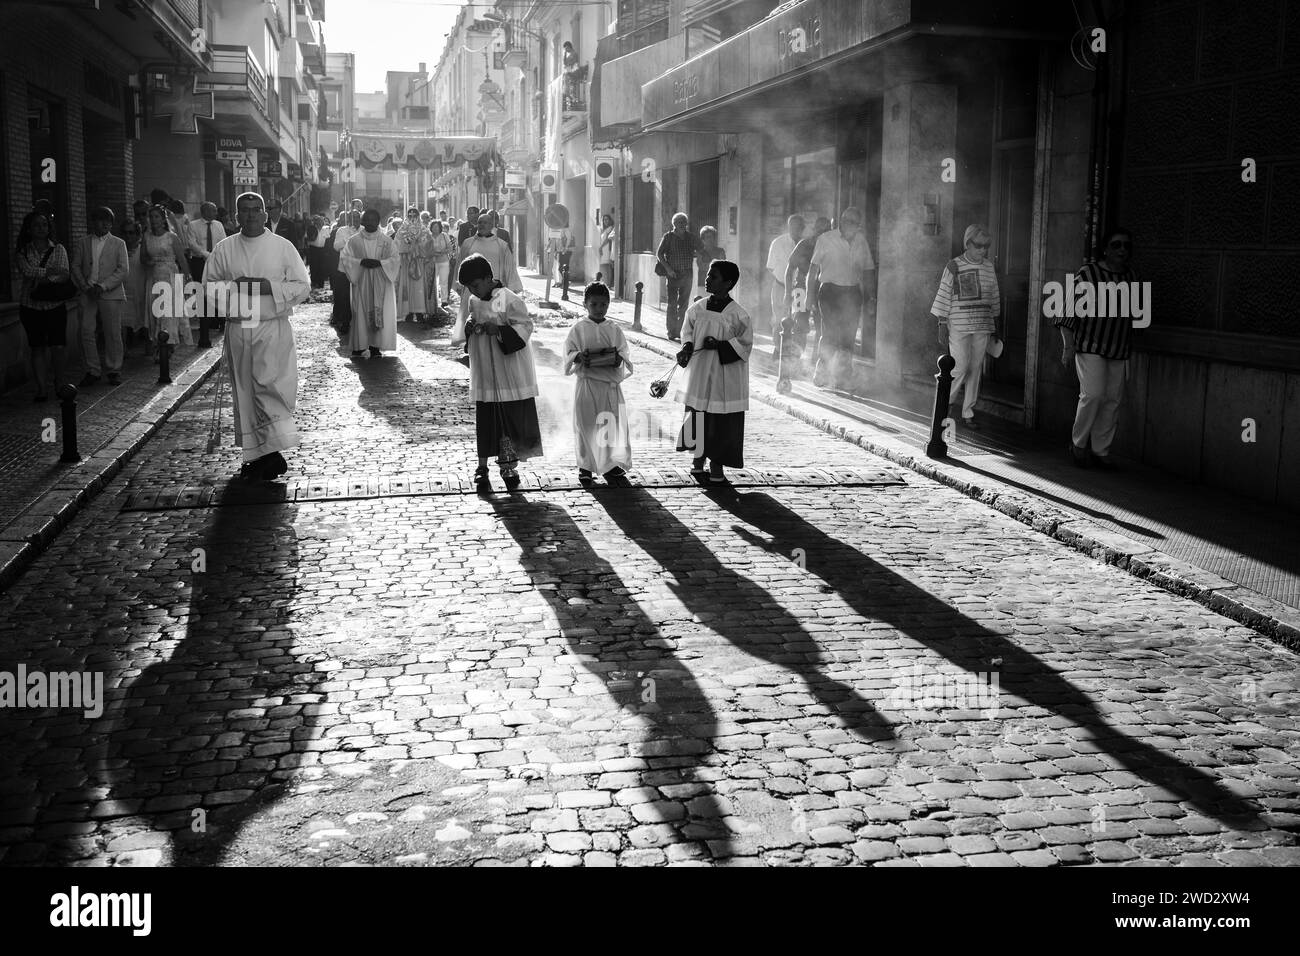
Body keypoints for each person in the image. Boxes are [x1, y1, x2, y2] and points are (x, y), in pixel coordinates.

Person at [202, 191, 311, 482]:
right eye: (244, 210)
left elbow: (302, 285)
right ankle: (259, 455)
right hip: (239, 327)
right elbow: (210, 285)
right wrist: (236, 290)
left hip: (271, 326)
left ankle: (271, 452)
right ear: (237, 216)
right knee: (246, 392)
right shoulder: (224, 248)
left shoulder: (282, 246)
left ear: (265, 214)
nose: (250, 215)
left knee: (268, 385)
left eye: (255, 209)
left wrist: (267, 287)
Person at [454, 254, 542, 492]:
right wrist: (470, 327)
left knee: (507, 418)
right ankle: (482, 466)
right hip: (484, 370)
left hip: (507, 370)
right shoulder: (474, 299)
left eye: (476, 284)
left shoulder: (508, 299)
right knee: (486, 418)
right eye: (470, 287)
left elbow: (524, 326)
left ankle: (508, 466)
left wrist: (500, 330)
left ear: (488, 278)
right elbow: (473, 317)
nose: (473, 290)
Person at [1056, 226, 1138, 470]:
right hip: (1090, 345)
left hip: (1119, 348)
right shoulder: (1088, 273)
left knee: (1112, 400)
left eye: (1126, 245)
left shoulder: (1130, 276)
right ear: (1105, 249)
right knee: (1092, 395)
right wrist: (1067, 347)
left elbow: (1135, 313)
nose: (1122, 249)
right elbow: (1068, 311)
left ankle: (1101, 451)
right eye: (1116, 244)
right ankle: (1078, 444)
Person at [674, 259, 751, 485]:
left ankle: (717, 465)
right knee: (698, 414)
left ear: (728, 283)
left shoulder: (739, 315)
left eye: (713, 276)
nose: (707, 279)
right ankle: (698, 461)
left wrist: (719, 345)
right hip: (700, 373)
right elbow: (686, 330)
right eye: (708, 274)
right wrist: (687, 346)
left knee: (720, 420)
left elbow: (745, 345)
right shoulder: (697, 308)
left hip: (723, 376)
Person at [931, 223, 1001, 430]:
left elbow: (994, 294)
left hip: (982, 323)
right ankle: (946, 405)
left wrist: (995, 321)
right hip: (959, 324)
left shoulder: (989, 266)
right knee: (959, 367)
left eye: (986, 245)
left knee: (975, 369)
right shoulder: (954, 265)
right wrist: (942, 322)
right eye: (979, 245)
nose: (983, 250)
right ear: (967, 243)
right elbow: (944, 292)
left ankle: (968, 412)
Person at [565, 281, 633, 486]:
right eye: (594, 304)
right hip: (586, 384)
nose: (599, 309)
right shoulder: (578, 328)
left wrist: (617, 358)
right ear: (585, 304)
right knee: (586, 425)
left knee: (609, 426)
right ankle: (585, 467)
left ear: (608, 305)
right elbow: (569, 352)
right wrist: (579, 357)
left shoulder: (614, 329)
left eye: (603, 304)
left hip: (609, 386)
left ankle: (610, 466)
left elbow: (623, 352)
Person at [806, 206, 874, 391]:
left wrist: (870, 298)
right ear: (842, 221)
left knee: (849, 335)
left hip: (852, 292)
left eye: (856, 223)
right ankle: (822, 371)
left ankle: (843, 376)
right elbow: (813, 270)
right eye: (850, 221)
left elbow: (868, 270)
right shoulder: (825, 239)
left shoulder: (861, 241)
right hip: (829, 292)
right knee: (830, 332)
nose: (853, 226)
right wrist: (808, 297)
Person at [15, 210, 71, 401]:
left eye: (44, 225)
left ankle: (60, 383)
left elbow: (63, 274)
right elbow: (27, 271)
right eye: (37, 225)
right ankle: (41, 388)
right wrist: (49, 272)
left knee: (58, 346)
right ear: (29, 229)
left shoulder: (59, 249)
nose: (41, 228)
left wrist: (44, 275)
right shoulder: (23, 251)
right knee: (37, 347)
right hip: (30, 306)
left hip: (55, 305)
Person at [71, 206, 130, 386]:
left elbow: (123, 270)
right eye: (101, 220)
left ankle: (114, 369)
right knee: (86, 331)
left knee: (112, 332)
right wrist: (84, 286)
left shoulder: (119, 243)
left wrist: (103, 286)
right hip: (88, 291)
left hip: (110, 293)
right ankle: (92, 370)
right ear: (93, 222)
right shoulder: (83, 242)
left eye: (108, 221)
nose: (105, 224)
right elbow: (75, 266)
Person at [341, 208, 400, 358]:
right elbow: (345, 259)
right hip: (361, 281)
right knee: (360, 312)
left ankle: (375, 346)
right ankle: (359, 346)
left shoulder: (387, 241)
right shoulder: (353, 241)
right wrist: (361, 262)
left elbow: (395, 259)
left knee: (381, 312)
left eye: (374, 220)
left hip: (382, 282)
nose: (370, 222)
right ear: (363, 221)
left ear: (378, 222)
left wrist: (381, 264)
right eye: (367, 219)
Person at [783, 215, 831, 375]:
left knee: (821, 328)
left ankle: (816, 365)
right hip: (800, 289)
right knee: (799, 326)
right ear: (815, 229)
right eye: (821, 229)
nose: (823, 233)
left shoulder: (830, 246)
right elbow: (789, 269)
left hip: (822, 290)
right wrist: (787, 292)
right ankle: (794, 363)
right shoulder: (804, 244)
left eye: (827, 230)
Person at [141, 204, 193, 350]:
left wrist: (188, 277)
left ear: (163, 219)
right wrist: (148, 261)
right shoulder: (146, 237)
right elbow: (143, 257)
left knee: (168, 310)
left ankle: (168, 343)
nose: (153, 220)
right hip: (154, 275)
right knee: (156, 310)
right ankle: (157, 341)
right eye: (151, 217)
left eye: (156, 216)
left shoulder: (171, 237)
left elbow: (181, 259)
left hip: (170, 275)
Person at [457, 212, 522, 326]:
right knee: (472, 321)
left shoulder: (502, 245)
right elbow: (460, 264)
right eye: (479, 222)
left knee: (495, 322)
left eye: (485, 222)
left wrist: (512, 287)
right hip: (472, 288)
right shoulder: (468, 243)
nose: (482, 225)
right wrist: (458, 284)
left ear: (492, 225)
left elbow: (509, 266)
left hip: (495, 289)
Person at [656, 212, 697, 342]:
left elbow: (700, 248)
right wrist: (668, 269)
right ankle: (671, 331)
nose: (683, 225)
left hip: (687, 274)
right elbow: (659, 253)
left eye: (684, 222)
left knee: (684, 305)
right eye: (680, 222)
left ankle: (680, 331)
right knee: (672, 304)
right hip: (673, 274)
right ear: (674, 224)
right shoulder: (668, 237)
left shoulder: (690, 237)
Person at [766, 215, 805, 347]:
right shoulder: (778, 242)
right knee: (779, 320)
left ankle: (796, 351)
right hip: (780, 286)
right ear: (788, 227)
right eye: (793, 227)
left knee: (799, 320)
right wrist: (784, 281)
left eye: (799, 227)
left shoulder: (806, 244)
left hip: (800, 290)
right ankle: (778, 350)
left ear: (803, 228)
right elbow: (770, 267)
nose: (796, 230)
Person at [393, 205, 433, 322]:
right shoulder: (402, 230)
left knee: (419, 286)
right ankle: (408, 311)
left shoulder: (424, 229)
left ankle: (420, 311)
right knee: (407, 286)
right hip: (406, 262)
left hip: (419, 262)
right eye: (410, 215)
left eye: (414, 215)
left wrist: (418, 245)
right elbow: (397, 244)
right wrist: (408, 246)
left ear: (418, 216)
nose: (412, 217)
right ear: (407, 216)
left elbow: (429, 244)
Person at [122, 218, 153, 356]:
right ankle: (122, 350)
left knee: (144, 320)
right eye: (126, 233)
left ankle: (149, 346)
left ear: (137, 234)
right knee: (122, 321)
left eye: (132, 233)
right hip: (123, 291)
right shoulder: (120, 248)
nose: (129, 236)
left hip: (141, 289)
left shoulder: (143, 249)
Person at [329, 210, 360, 338]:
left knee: (359, 297)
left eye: (358, 217)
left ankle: (360, 323)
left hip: (361, 268)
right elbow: (336, 246)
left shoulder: (364, 229)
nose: (356, 220)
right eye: (353, 217)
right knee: (345, 296)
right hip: (345, 267)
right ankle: (345, 322)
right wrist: (348, 240)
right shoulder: (341, 230)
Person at [185, 201, 226, 284]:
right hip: (199, 261)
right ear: (206, 211)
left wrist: (216, 254)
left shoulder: (219, 225)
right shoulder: (193, 225)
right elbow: (191, 243)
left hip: (216, 260)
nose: (216, 213)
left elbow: (223, 241)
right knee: (199, 285)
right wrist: (205, 254)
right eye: (214, 211)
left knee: (215, 285)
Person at [428, 218, 455, 312]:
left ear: (440, 227)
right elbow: (425, 249)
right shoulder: (428, 236)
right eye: (433, 227)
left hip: (444, 261)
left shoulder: (444, 236)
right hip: (432, 262)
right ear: (431, 228)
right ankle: (434, 300)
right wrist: (433, 253)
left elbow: (450, 248)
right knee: (433, 282)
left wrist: (443, 252)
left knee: (443, 282)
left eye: (437, 227)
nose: (435, 228)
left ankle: (444, 300)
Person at [696, 226, 726, 290]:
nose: (710, 239)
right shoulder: (700, 252)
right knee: (703, 300)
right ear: (703, 239)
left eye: (712, 237)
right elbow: (701, 266)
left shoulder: (720, 251)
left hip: (717, 283)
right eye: (707, 237)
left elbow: (722, 266)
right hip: (703, 283)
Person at [306, 215, 330, 289]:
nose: (321, 223)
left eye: (322, 221)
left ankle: (321, 283)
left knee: (322, 267)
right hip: (313, 249)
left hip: (322, 250)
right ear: (316, 222)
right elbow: (309, 239)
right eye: (319, 221)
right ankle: (314, 282)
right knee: (314, 266)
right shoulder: (311, 229)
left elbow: (328, 240)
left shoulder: (326, 229)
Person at [598, 213, 617, 295]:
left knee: (610, 267)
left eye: (607, 219)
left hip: (607, 250)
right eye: (604, 220)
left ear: (610, 220)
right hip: (604, 250)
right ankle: (608, 283)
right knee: (607, 267)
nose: (605, 221)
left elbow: (607, 240)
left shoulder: (611, 228)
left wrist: (601, 247)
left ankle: (610, 283)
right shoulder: (604, 229)